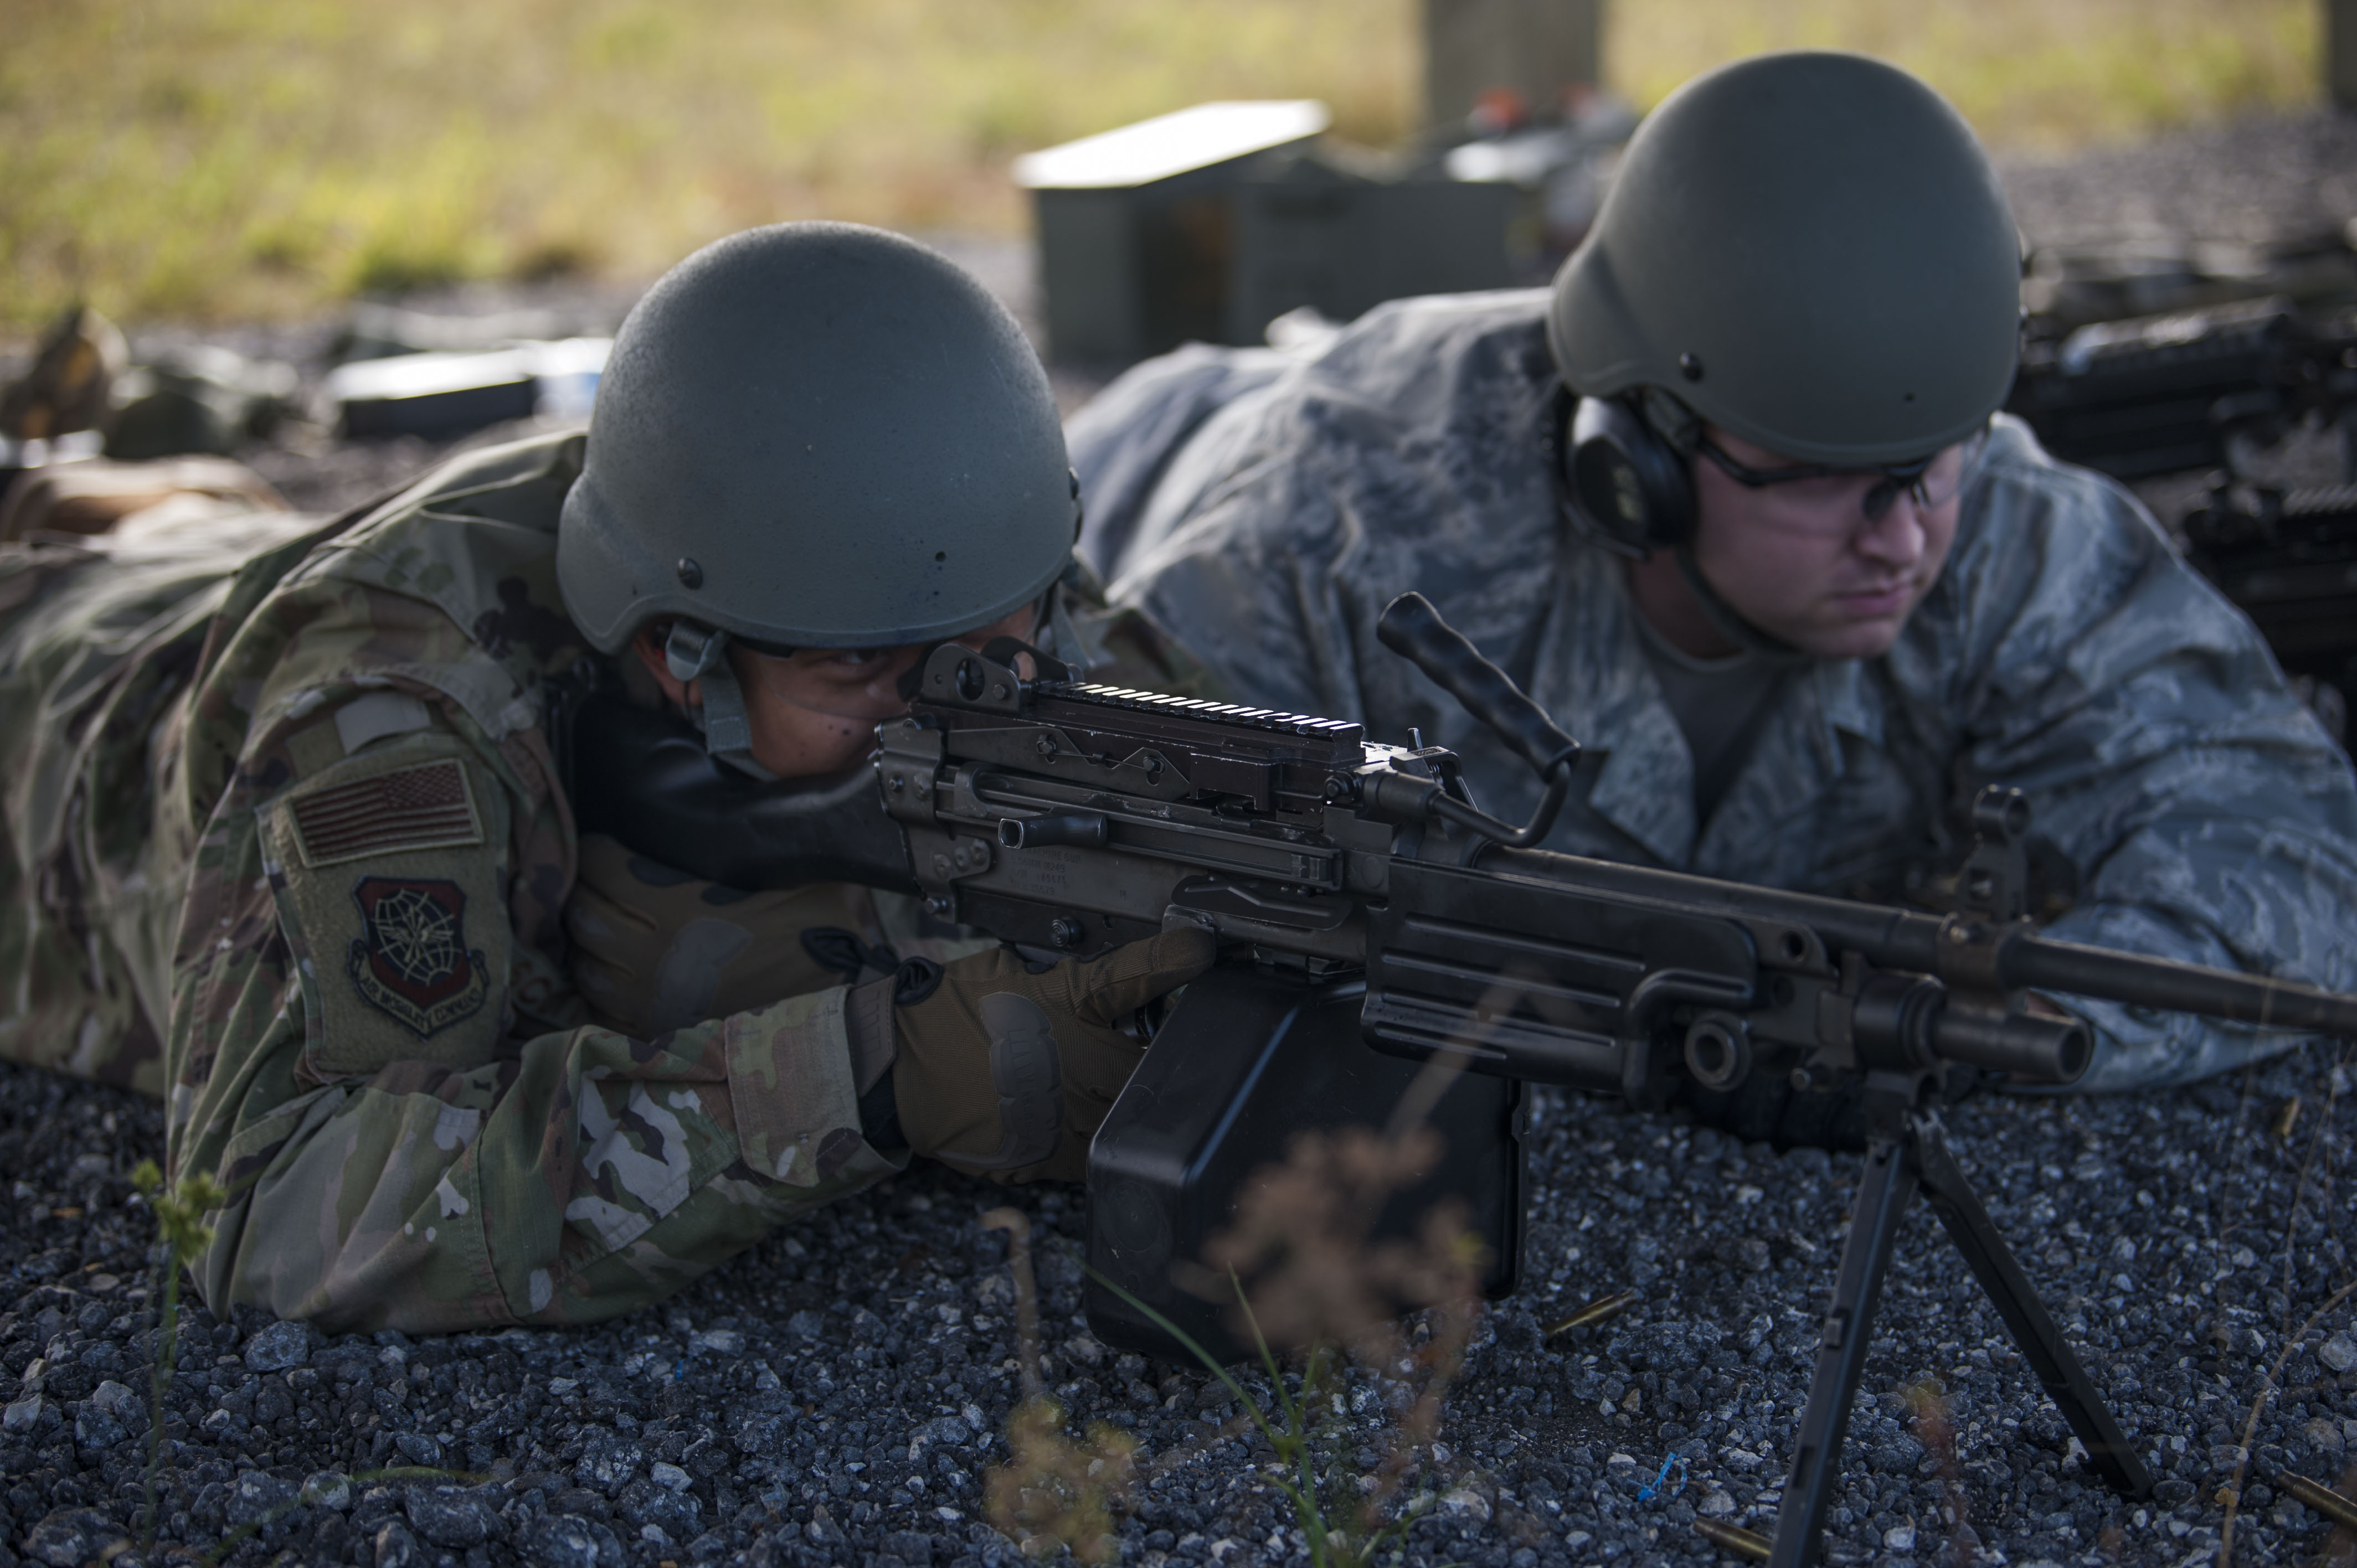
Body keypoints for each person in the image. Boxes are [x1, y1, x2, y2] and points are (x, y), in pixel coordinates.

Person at [1069, 51, 2357, 1102]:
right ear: (1633, 464)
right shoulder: (1332, 530)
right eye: (1820, 480)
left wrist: (1971, 1037)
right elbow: (1106, 866)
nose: (1905, 537)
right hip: (1167, 446)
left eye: (1932, 466)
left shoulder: (1995, 520)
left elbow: (2285, 852)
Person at [0, 222, 1213, 1330]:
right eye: (859, 670)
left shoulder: (946, 558)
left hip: (214, 547)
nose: (958, 704)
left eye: (995, 642)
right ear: (674, 653)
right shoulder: (398, 709)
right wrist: (865, 1074)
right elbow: (279, 1202)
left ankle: (131, 489)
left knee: (177, 518)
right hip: (57, 697)